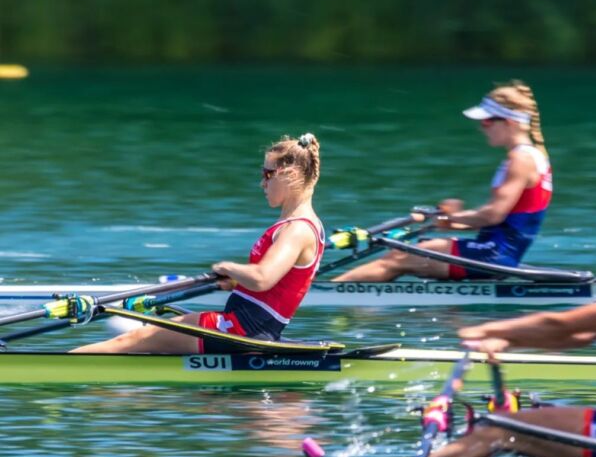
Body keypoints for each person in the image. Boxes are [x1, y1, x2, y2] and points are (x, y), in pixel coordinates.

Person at [427, 206, 596, 457]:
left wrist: (489, 330)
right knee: (513, 426)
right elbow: (583, 336)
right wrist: (511, 342)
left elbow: (559, 325)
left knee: (496, 429)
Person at [72, 133, 324, 354]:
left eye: (267, 174)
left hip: (239, 331)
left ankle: (49, 368)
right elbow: (277, 284)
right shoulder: (303, 225)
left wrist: (229, 267)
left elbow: (262, 278)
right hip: (246, 328)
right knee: (148, 341)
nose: (262, 183)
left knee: (133, 339)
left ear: (289, 175)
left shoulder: (297, 229)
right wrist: (237, 283)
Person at [333, 80, 552, 282]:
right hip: (494, 250)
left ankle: (319, 295)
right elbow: (503, 222)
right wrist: (450, 222)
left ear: (510, 123)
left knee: (398, 257)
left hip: (492, 254)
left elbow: (493, 214)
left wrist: (451, 215)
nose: (481, 127)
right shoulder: (534, 157)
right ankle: (360, 304)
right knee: (410, 251)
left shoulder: (520, 160)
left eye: (486, 121)